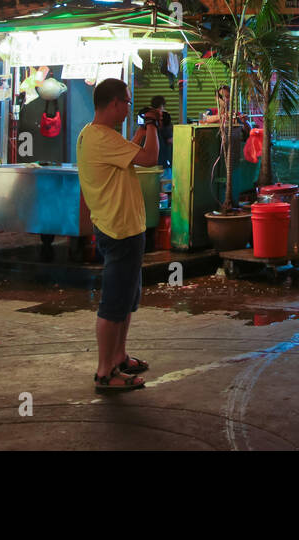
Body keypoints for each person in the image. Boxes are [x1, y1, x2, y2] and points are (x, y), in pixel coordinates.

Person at [78, 78, 161, 393]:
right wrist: (152, 126)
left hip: (123, 227)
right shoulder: (101, 138)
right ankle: (105, 371)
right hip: (119, 230)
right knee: (114, 304)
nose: (129, 107)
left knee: (126, 300)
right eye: (126, 101)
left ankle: (119, 356)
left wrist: (140, 133)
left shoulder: (94, 135)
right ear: (113, 103)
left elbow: (129, 154)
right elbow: (150, 158)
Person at [145, 95, 174, 169]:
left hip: (149, 161)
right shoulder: (164, 118)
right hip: (163, 160)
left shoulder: (148, 117)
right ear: (162, 105)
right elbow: (170, 140)